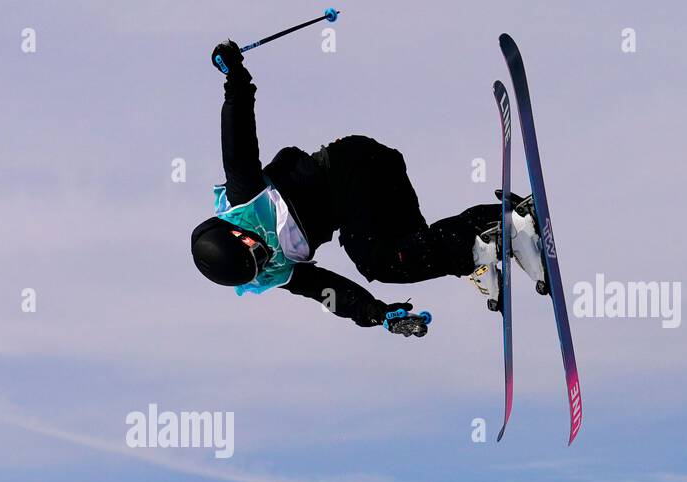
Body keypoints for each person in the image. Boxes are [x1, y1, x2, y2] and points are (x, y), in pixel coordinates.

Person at [190, 40, 545, 336]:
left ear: (238, 234)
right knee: (411, 252)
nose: (266, 256)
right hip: (372, 184)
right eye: (259, 264)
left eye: (256, 251)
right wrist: (377, 314)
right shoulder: (275, 272)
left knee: (379, 260)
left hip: (353, 167)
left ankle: (493, 242)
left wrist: (235, 77)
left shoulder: (244, 200)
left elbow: (237, 139)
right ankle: (497, 231)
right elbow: (325, 290)